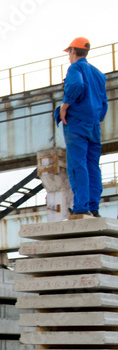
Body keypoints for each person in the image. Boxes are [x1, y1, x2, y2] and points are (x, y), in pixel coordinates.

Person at [55, 37, 108, 219]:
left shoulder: (75, 68)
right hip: (93, 125)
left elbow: (76, 84)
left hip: (76, 124)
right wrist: (94, 118)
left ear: (72, 51)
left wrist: (65, 105)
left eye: (68, 53)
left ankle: (80, 207)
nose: (68, 57)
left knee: (78, 164)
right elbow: (103, 103)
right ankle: (94, 208)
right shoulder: (99, 74)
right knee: (93, 165)